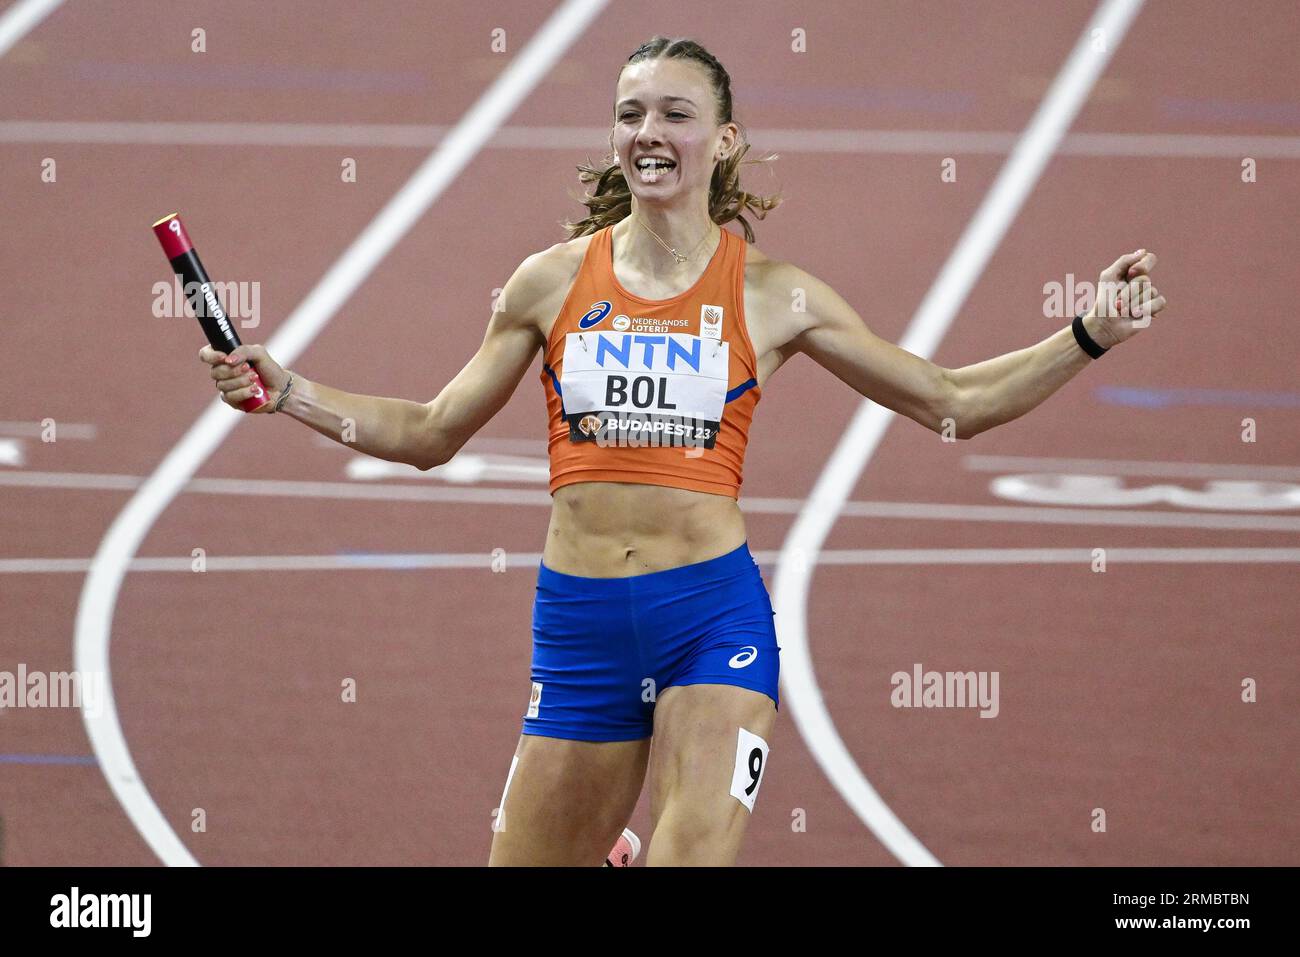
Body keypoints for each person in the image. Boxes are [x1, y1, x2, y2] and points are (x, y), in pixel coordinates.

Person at [200, 36, 1167, 866]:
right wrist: (291, 393)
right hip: (579, 632)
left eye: (675, 113)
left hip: (711, 619)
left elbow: (955, 401)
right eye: (630, 114)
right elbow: (430, 432)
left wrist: (1086, 333)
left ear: (725, 140)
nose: (649, 132)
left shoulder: (774, 295)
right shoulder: (546, 284)